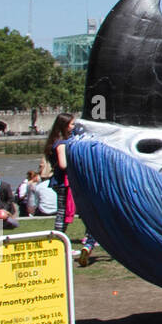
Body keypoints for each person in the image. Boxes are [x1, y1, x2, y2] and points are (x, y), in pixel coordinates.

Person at [46, 113, 99, 265]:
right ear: (64, 125)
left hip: (61, 182)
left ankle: (66, 242)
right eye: (71, 124)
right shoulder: (61, 143)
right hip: (66, 182)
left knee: (66, 213)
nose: (73, 126)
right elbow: (63, 164)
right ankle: (74, 243)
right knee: (68, 213)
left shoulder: (54, 141)